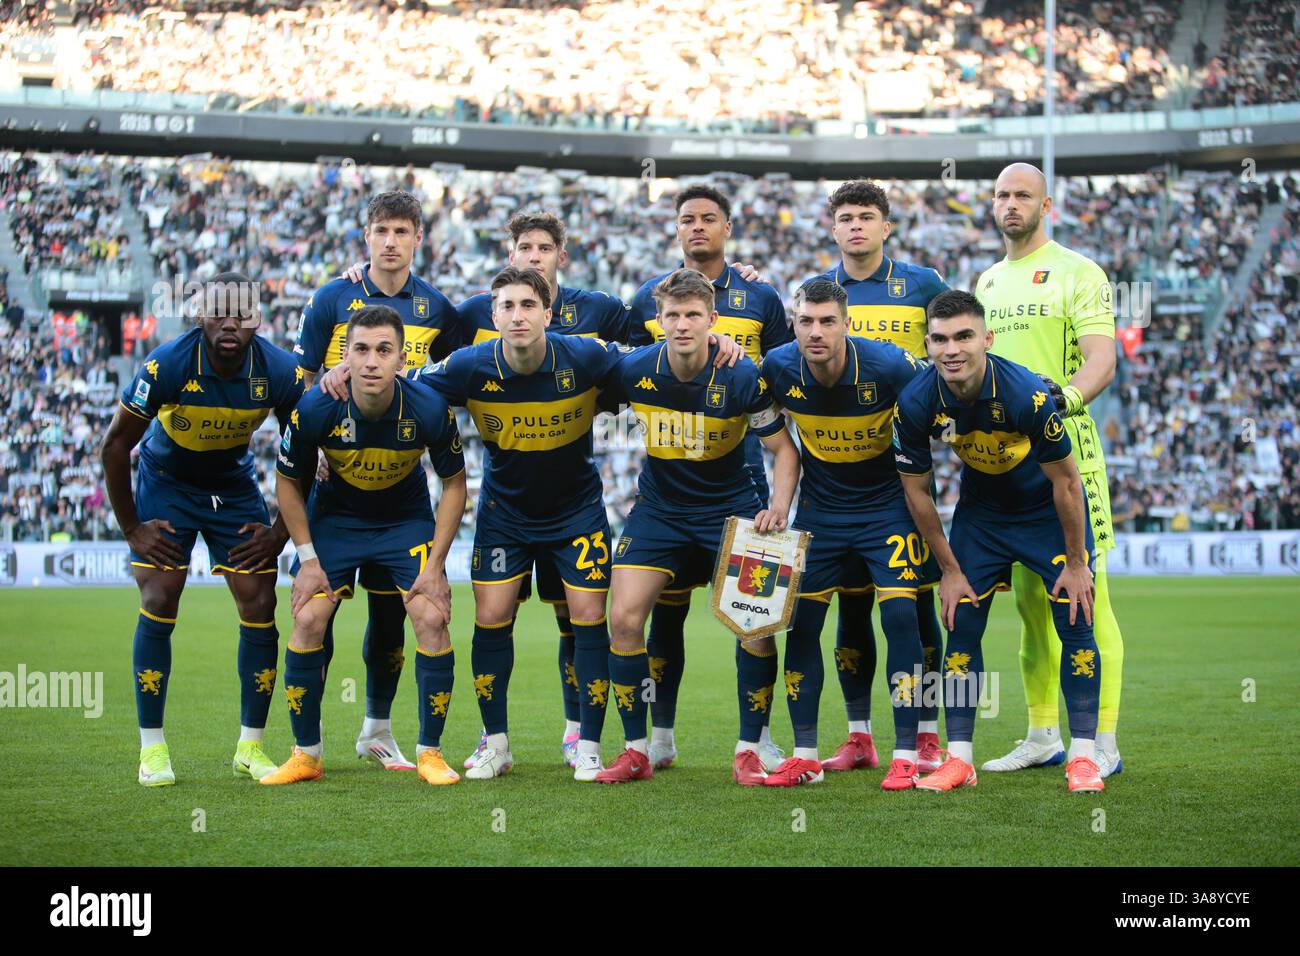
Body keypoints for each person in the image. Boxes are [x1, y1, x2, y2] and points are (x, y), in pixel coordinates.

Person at [892, 290, 1105, 794]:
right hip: (982, 519)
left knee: (1075, 619)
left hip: (1043, 516)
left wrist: (1076, 561)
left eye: (964, 336)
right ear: (928, 344)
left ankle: (1084, 758)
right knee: (960, 626)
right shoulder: (916, 401)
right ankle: (959, 758)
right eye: (940, 339)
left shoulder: (1026, 394)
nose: (952, 349)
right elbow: (917, 492)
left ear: (986, 338)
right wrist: (948, 569)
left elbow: (1067, 483)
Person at [100, 272, 304, 786]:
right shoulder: (166, 364)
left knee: (260, 600)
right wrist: (131, 528)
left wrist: (279, 532)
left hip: (232, 485)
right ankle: (152, 750)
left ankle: (250, 746)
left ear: (257, 319)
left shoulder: (279, 371)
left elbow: (308, 452)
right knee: (161, 594)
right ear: (199, 315)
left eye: (240, 312)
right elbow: (114, 446)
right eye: (218, 311)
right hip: (167, 481)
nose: (229, 321)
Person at [599, 268, 799, 785]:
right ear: (658, 320)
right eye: (673, 315)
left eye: (693, 314)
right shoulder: (633, 370)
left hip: (732, 512)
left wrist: (777, 507)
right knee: (623, 620)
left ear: (713, 318)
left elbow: (783, 450)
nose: (683, 324)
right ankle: (637, 749)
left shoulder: (741, 374)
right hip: (659, 512)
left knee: (755, 626)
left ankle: (750, 746)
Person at [266, 305, 467, 786]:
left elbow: (455, 485)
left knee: (431, 616)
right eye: (361, 350)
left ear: (402, 358)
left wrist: (436, 567)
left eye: (383, 350)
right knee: (309, 616)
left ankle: (430, 753)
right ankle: (306, 754)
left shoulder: (428, 409)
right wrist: (308, 560)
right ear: (345, 357)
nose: (372, 361)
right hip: (336, 520)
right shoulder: (315, 407)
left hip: (403, 519)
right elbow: (287, 484)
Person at [294, 189, 460, 771]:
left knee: (400, 613)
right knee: (319, 612)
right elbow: (301, 379)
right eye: (381, 231)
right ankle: (306, 746)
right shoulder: (331, 297)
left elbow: (454, 378)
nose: (390, 243)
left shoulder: (438, 309)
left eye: (402, 232)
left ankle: (378, 729)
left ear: (419, 240)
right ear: (366, 237)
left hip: (402, 484)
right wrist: (310, 427)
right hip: (336, 484)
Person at [976, 162, 1125, 778]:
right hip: (1003, 469)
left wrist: (1053, 408)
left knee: (1087, 600)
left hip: (1068, 458)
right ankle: (1042, 733)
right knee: (1032, 607)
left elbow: (1101, 362)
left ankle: (1105, 742)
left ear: (1047, 205)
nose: (1011, 205)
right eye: (1003, 196)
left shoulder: (1079, 272)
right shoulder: (986, 282)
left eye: (1023, 196)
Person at [758, 279, 934, 789]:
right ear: (794, 323)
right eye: (806, 321)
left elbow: (931, 413)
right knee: (802, 624)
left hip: (888, 511)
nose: (816, 331)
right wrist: (779, 505)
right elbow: (770, 430)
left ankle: (908, 752)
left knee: (902, 614)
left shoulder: (889, 366)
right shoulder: (777, 367)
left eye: (827, 321)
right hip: (821, 513)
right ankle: (806, 754)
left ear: (847, 323)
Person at [806, 180, 950, 774]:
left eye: (867, 216)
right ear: (832, 227)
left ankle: (928, 736)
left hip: (903, 474)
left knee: (915, 610)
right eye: (845, 217)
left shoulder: (923, 285)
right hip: (836, 477)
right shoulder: (819, 293)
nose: (856, 226)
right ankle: (860, 735)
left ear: (887, 226)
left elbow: (948, 357)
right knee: (851, 609)